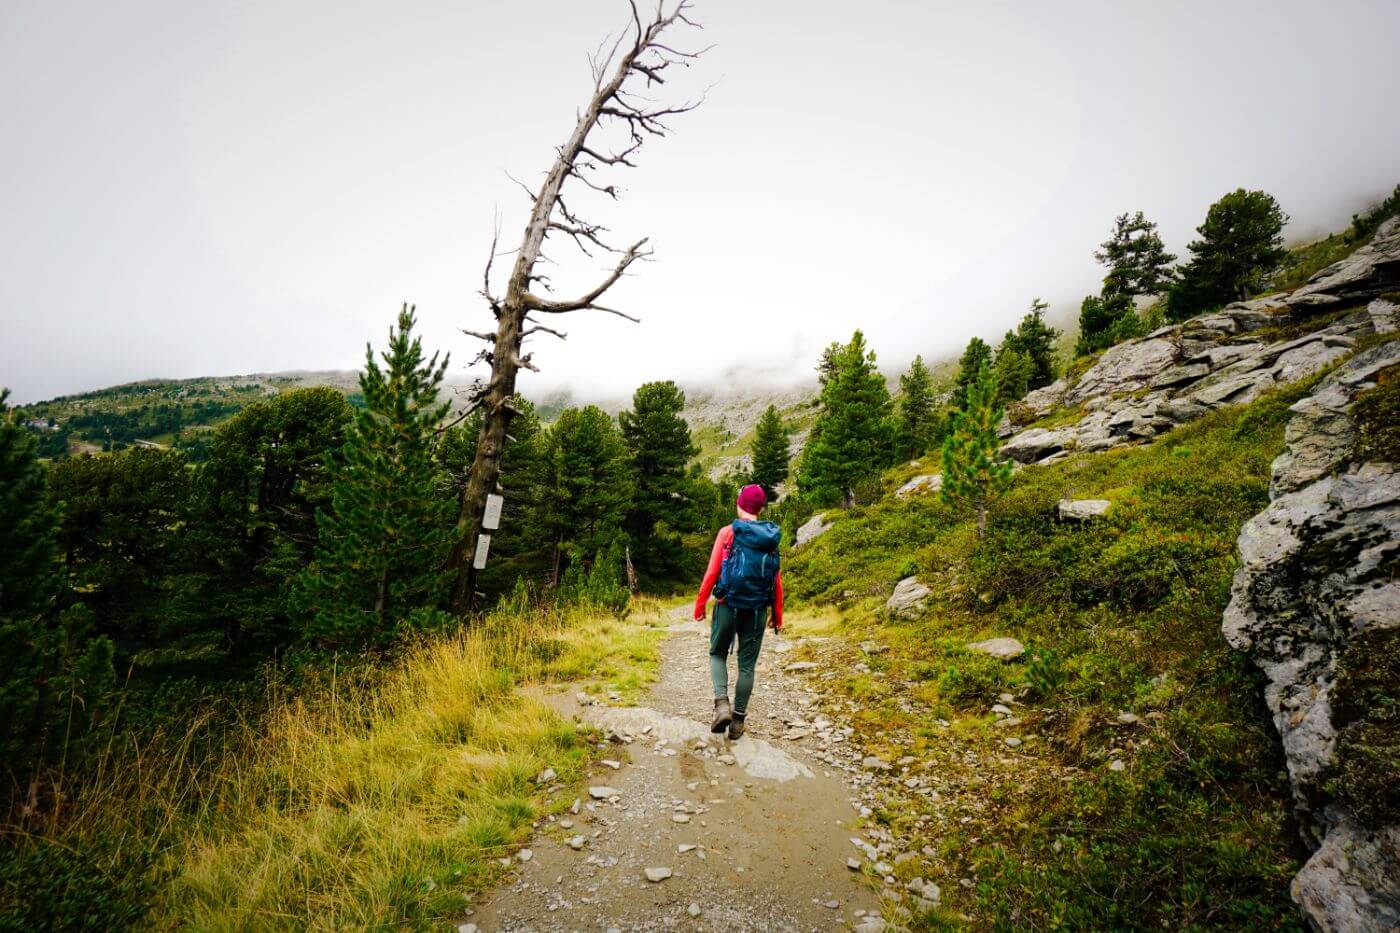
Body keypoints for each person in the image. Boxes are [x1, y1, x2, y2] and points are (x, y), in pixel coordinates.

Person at [692, 483, 783, 740]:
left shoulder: (728, 532)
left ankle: (722, 705)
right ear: (761, 508)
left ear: (739, 504)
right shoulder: (770, 538)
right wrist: (777, 616)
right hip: (756, 611)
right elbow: (776, 581)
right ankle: (738, 722)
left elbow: (712, 573)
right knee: (747, 666)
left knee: (717, 653)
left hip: (727, 606)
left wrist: (699, 606)